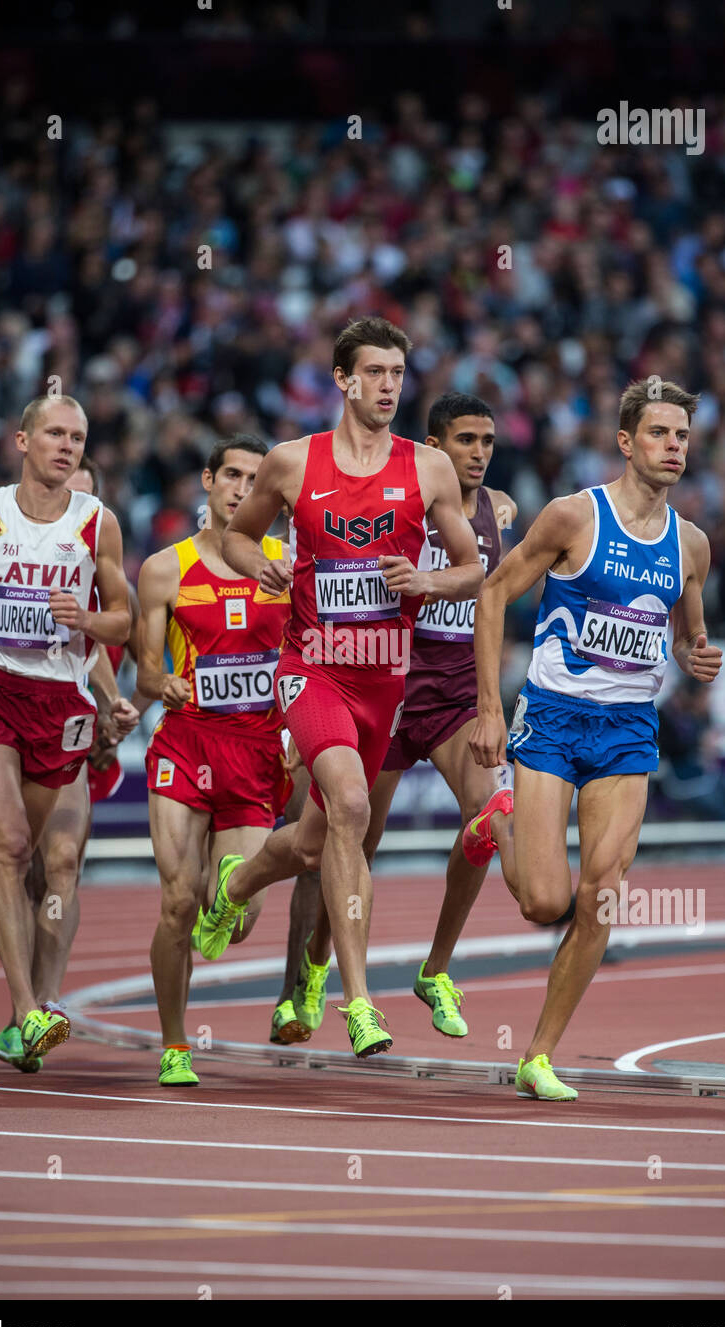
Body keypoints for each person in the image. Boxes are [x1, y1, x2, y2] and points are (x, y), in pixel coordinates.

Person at [204, 316, 484, 1059]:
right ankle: (358, 1001)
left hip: (384, 680)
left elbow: (472, 566)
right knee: (355, 807)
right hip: (311, 669)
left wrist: (428, 578)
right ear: (343, 379)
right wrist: (255, 561)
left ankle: (235, 884)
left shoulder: (428, 468)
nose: (389, 386)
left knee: (314, 839)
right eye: (376, 373)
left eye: (398, 373)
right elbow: (238, 532)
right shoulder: (293, 463)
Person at [469, 379, 722, 1100]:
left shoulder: (691, 545)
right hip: (552, 716)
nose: (673, 447)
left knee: (602, 895)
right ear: (625, 441)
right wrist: (490, 707)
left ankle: (539, 1056)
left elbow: (686, 634)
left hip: (627, 731)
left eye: (681, 436)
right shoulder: (573, 517)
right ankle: (500, 820)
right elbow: (492, 592)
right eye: (659, 434)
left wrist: (697, 656)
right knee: (543, 903)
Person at [282, 392, 519, 1041]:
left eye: (488, 441)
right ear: (435, 448)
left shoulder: (501, 512)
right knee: (353, 838)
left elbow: (491, 597)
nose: (479, 453)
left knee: (489, 820)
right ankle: (313, 969)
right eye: (466, 440)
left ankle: (435, 969)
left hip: (454, 699)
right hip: (383, 689)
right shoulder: (402, 495)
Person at [0, 395, 131, 1063]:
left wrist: (88, 620)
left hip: (59, 700)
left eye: (77, 437)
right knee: (12, 845)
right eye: (54, 434)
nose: (66, 446)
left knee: (36, 859)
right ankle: (28, 1013)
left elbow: (122, 620)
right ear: (22, 439)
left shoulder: (99, 524)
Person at [137, 434, 319, 1085]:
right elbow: (145, 671)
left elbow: (313, 656)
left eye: (255, 478)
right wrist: (165, 685)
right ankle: (176, 1044)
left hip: (257, 755)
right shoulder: (165, 568)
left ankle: (229, 908)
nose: (244, 488)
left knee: (234, 917)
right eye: (233, 475)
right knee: (178, 900)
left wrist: (305, 724)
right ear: (208, 482)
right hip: (185, 747)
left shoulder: (289, 564)